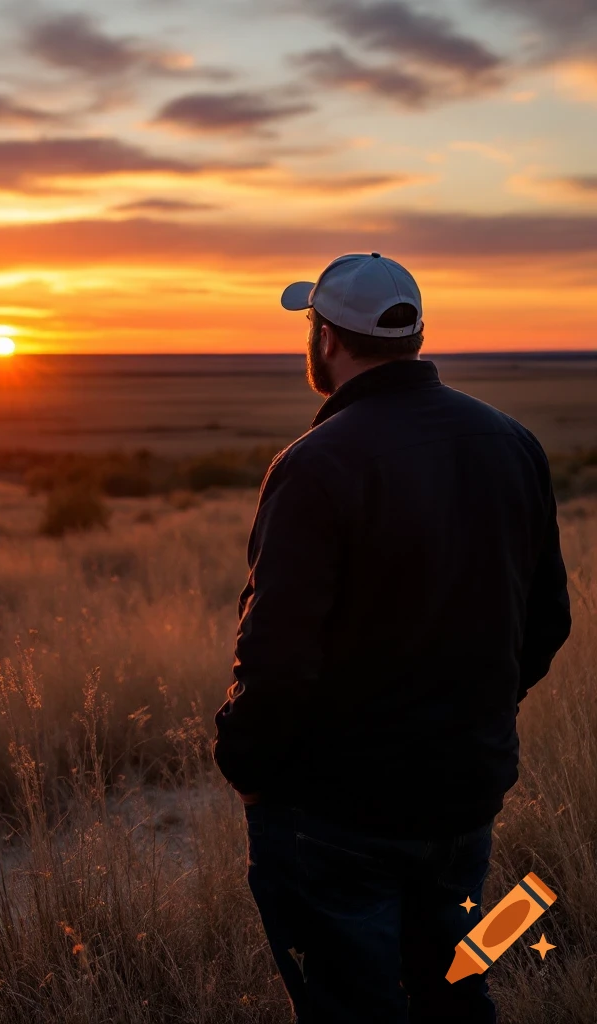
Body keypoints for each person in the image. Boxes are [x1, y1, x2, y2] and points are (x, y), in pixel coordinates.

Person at [213, 253, 572, 1024]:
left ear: (326, 339)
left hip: (337, 815)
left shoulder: (314, 465)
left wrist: (243, 764)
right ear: (412, 335)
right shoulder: (513, 444)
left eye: (310, 326)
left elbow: (275, 660)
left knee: (353, 1008)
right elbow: (548, 624)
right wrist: (470, 715)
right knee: (456, 988)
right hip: (465, 795)